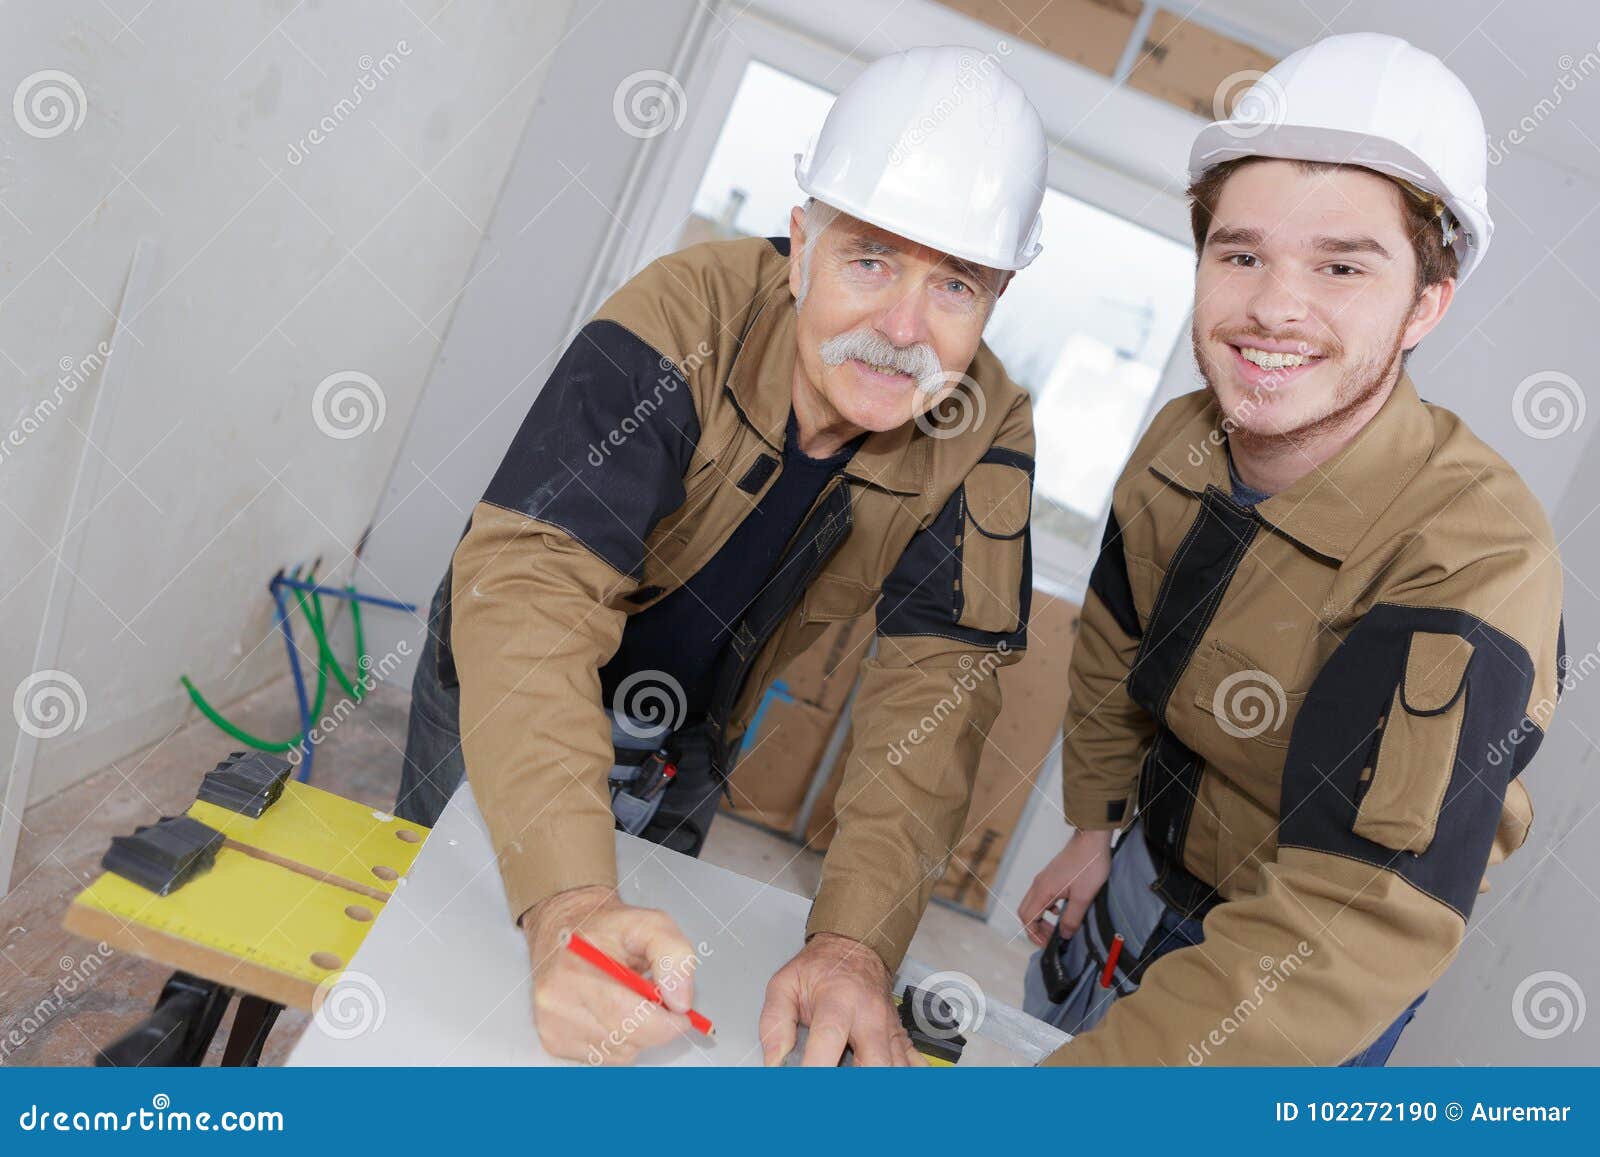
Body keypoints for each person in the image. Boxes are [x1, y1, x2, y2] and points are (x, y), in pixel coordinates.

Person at [397, 46, 1048, 1066]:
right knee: (453, 956)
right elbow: (529, 585)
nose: (904, 329)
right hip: (507, 674)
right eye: (869, 259)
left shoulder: (985, 425)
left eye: (956, 284)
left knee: (642, 1002)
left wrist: (851, 943)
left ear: (996, 298)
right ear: (800, 245)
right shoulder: (680, 313)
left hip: (691, 726)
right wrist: (568, 896)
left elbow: (939, 695)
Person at [1019, 32, 1565, 1066]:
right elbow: (1109, 645)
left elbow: (1353, 919)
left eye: (1341, 265)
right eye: (1240, 254)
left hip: (1307, 975)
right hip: (1144, 871)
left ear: (1425, 304)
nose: (1273, 304)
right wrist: (1092, 829)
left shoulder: (1475, 553)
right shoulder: (1180, 440)